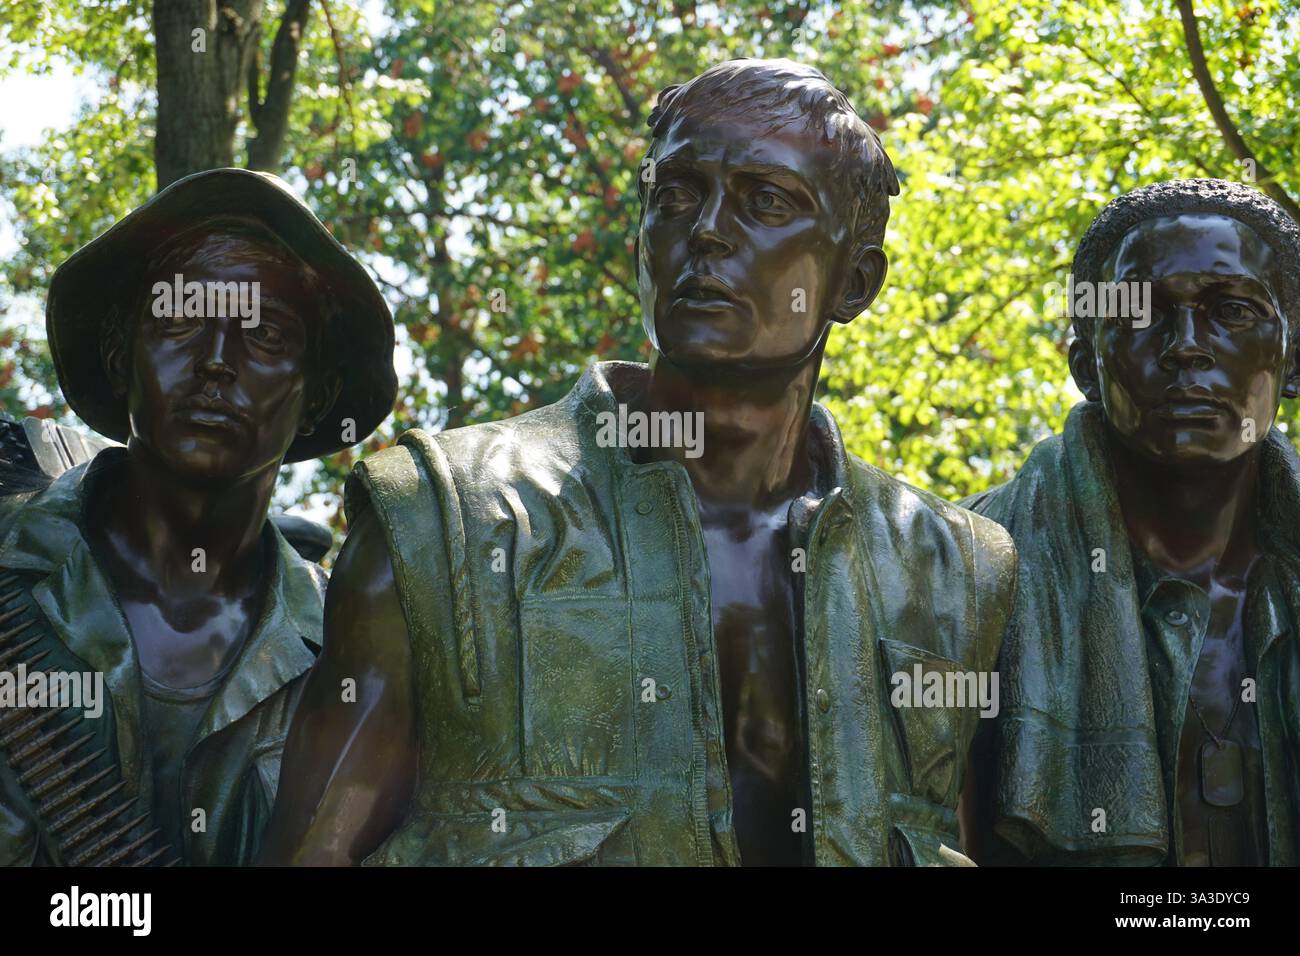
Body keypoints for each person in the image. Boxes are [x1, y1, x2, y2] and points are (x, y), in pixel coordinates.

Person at [262, 59, 1015, 866]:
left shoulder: (952, 573)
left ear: (855, 283)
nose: (709, 230)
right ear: (641, 244)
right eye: (680, 193)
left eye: (767, 202)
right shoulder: (445, 521)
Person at [0, 168, 395, 865]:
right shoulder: (10, 560)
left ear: (317, 394)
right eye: (180, 321)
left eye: (265, 335)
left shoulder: (356, 655)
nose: (216, 362)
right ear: (122, 354)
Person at [963, 179, 1300, 866]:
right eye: (1141, 313)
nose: (1185, 349)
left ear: (1293, 362)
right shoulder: (960, 575)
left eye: (1232, 310)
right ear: (1086, 364)